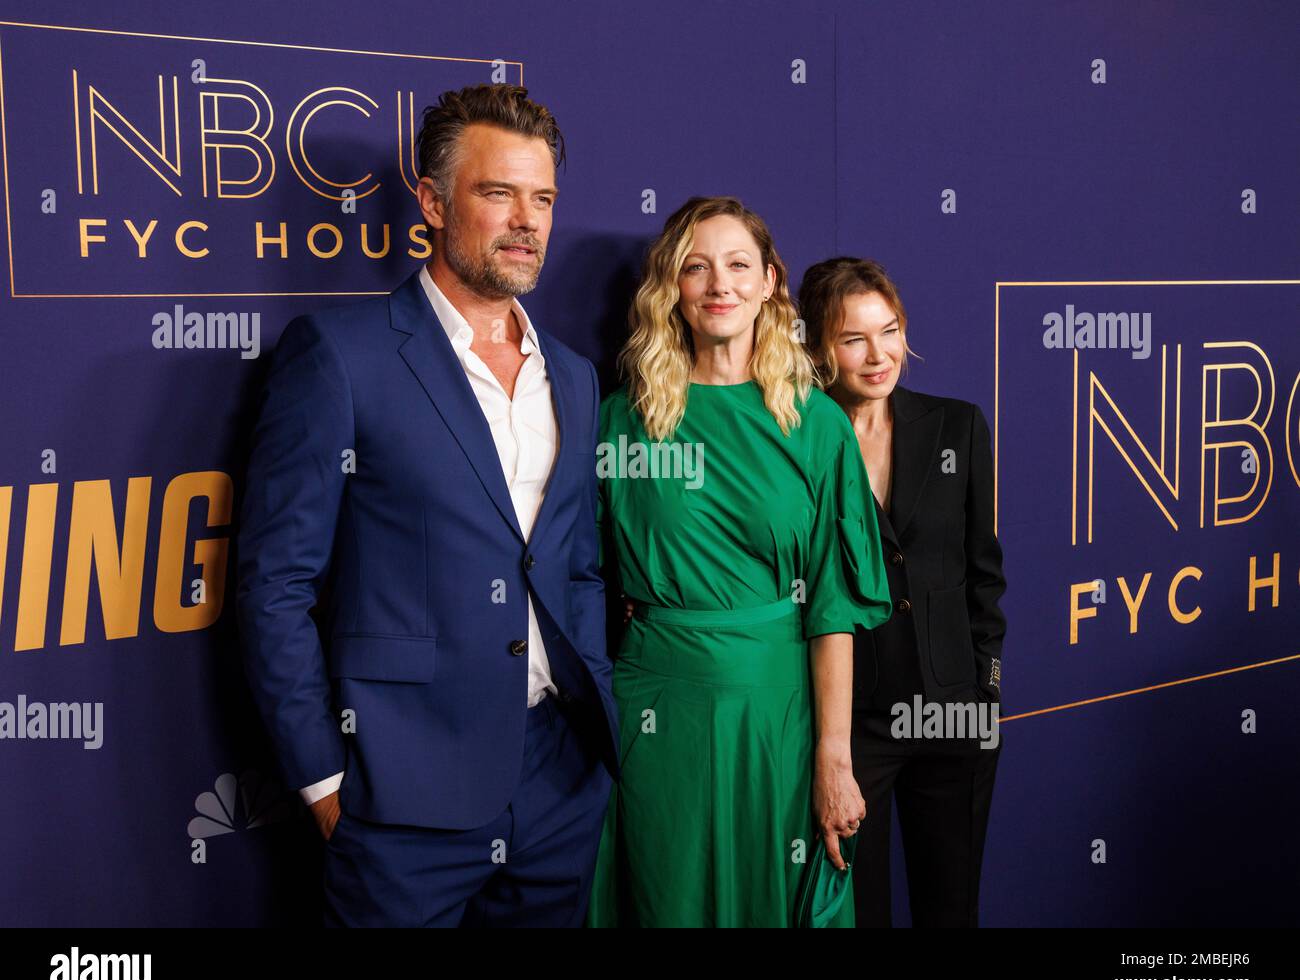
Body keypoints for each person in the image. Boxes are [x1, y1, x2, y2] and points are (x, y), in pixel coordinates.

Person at [236, 83, 618, 927]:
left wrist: (594, 726)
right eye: (498, 193)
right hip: (398, 795)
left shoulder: (576, 375)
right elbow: (276, 584)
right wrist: (326, 782)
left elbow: (576, 562)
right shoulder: (341, 356)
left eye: (544, 197)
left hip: (558, 781)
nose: (528, 219)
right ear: (433, 201)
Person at [585, 197, 893, 927]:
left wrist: (834, 755)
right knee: (665, 898)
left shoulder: (815, 424)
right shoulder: (624, 419)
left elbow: (832, 609)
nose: (718, 283)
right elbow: (580, 570)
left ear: (768, 282)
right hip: (658, 709)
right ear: (673, 287)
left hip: (777, 715)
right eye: (696, 266)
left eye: (737, 265)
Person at [797, 256, 1006, 927]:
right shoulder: (797, 443)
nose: (878, 354)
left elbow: (984, 574)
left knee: (952, 909)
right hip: (855, 725)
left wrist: (986, 690)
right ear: (818, 347)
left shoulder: (959, 426)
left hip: (956, 715)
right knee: (858, 911)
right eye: (853, 338)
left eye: (889, 330)